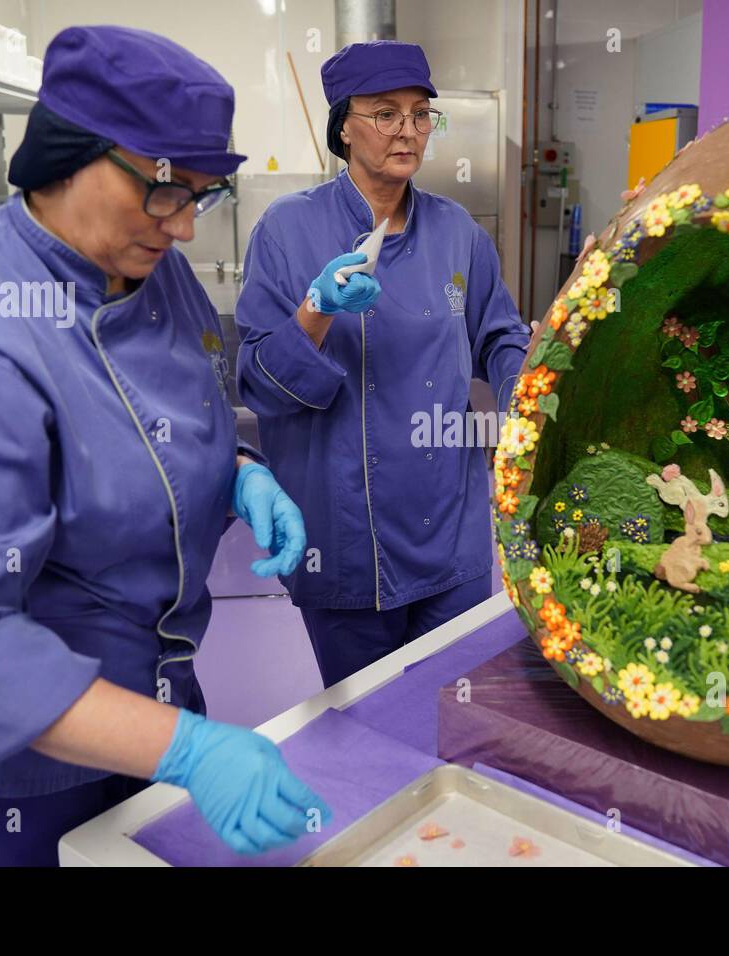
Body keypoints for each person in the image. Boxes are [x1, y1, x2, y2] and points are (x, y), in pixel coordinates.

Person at [0, 25, 328, 866]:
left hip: (148, 691)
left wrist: (240, 476)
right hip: (3, 752)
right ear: (69, 153)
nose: (182, 229)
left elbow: (164, 428)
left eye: (202, 197)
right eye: (166, 192)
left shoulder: (146, 267)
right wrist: (188, 750)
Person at [235, 41, 530, 686]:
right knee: (366, 737)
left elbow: (501, 334)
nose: (408, 131)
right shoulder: (286, 232)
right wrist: (316, 308)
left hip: (450, 534)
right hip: (345, 543)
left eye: (421, 114)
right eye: (385, 113)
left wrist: (530, 394)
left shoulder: (459, 234)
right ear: (344, 124)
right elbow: (257, 381)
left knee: (456, 716)